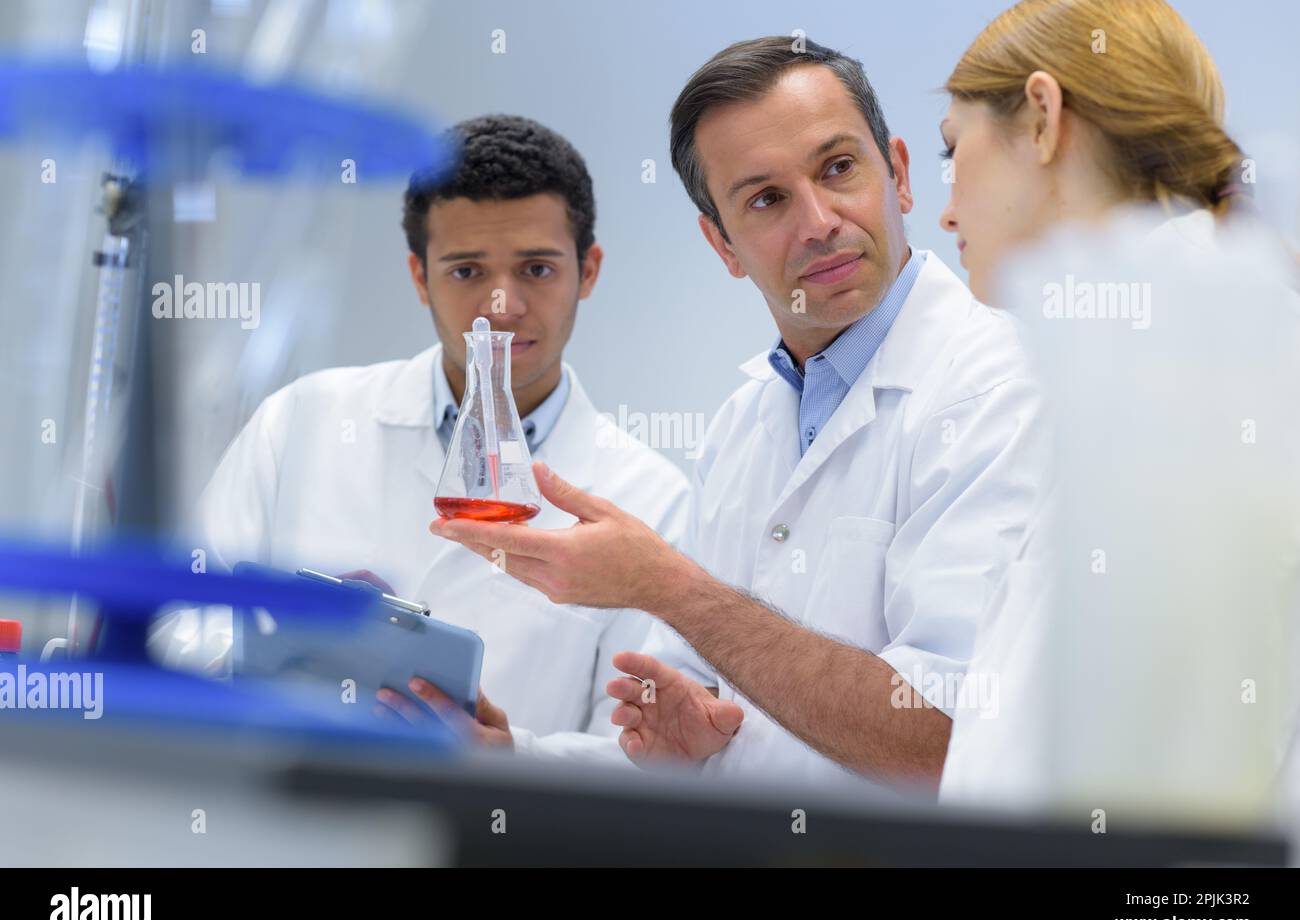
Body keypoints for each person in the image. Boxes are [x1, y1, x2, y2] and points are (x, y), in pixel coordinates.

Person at [429, 37, 1048, 791]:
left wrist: (668, 586)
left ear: (902, 175)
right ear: (722, 243)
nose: (819, 221)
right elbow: (697, 729)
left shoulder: (1001, 387)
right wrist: (528, 756)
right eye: (766, 199)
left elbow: (946, 739)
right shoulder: (743, 423)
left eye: (838, 168)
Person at [158, 114, 690, 757]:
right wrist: (286, 670)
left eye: (537, 270)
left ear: (589, 271)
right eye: (467, 271)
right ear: (420, 277)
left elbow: (652, 753)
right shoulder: (300, 421)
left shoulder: (653, 501)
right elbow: (176, 615)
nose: (503, 305)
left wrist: (513, 755)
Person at [928, 0, 1300, 811]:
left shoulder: (1189, 360)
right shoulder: (1145, 345)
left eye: (953, 150)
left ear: (1041, 116)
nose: (945, 207)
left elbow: (1154, 803)